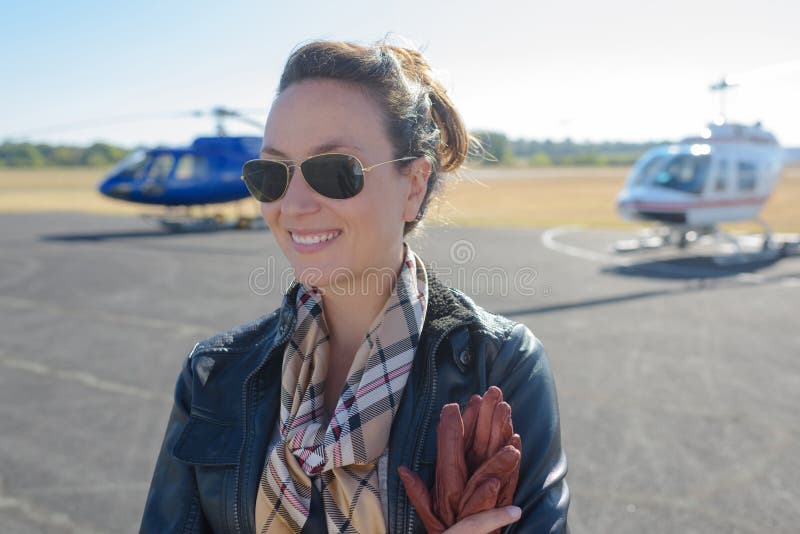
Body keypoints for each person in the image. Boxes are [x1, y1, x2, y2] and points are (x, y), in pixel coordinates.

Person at [140, 38, 569, 533]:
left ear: (413, 186)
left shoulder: (498, 364)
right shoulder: (212, 375)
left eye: (335, 171)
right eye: (271, 174)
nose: (295, 205)